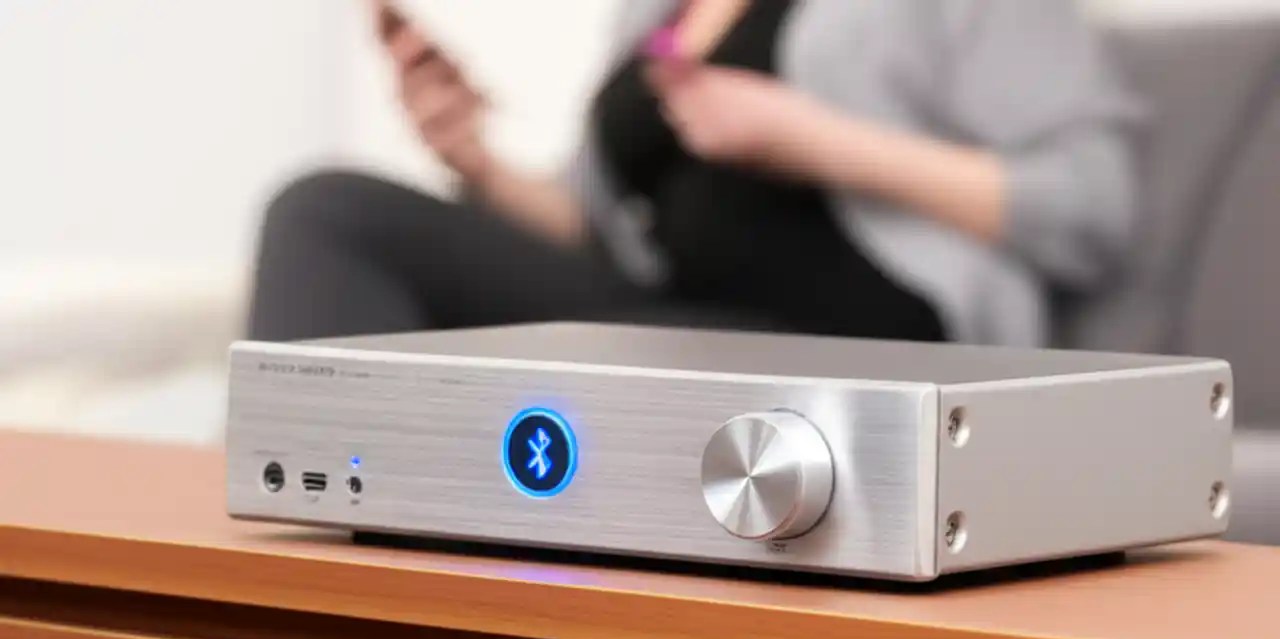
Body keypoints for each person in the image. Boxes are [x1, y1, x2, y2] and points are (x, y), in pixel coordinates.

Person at [249, 0, 1142, 346]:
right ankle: (279, 576)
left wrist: (813, 141)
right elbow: (598, 231)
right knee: (329, 214)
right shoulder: (658, 10)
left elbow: (1098, 208)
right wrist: (476, 161)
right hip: (660, 314)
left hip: (858, 338)